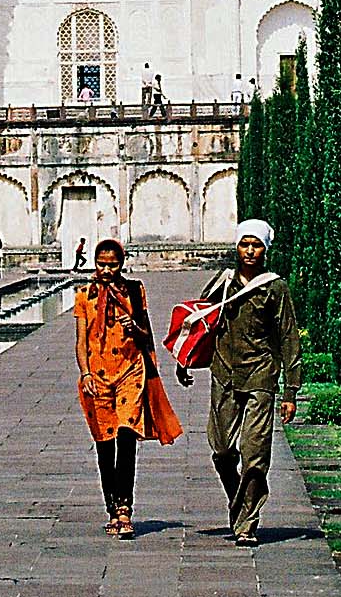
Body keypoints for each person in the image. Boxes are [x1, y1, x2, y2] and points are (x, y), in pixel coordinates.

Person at [176, 218, 302, 547]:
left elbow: (289, 338)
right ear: (236, 246)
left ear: (265, 249)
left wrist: (291, 390)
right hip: (225, 373)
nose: (249, 250)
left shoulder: (275, 288)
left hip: (261, 374)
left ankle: (247, 521)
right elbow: (197, 321)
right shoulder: (223, 282)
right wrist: (184, 359)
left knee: (255, 453)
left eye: (256, 245)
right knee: (220, 450)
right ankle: (240, 501)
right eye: (244, 244)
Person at [74, 238, 182, 539]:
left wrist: (133, 327)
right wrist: (85, 373)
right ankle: (111, 507)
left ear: (122, 264)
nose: (107, 270)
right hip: (98, 375)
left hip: (130, 370)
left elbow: (147, 333)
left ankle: (125, 508)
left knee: (126, 435)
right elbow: (81, 341)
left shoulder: (134, 290)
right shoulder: (85, 295)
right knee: (105, 444)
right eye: (102, 264)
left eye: (113, 264)